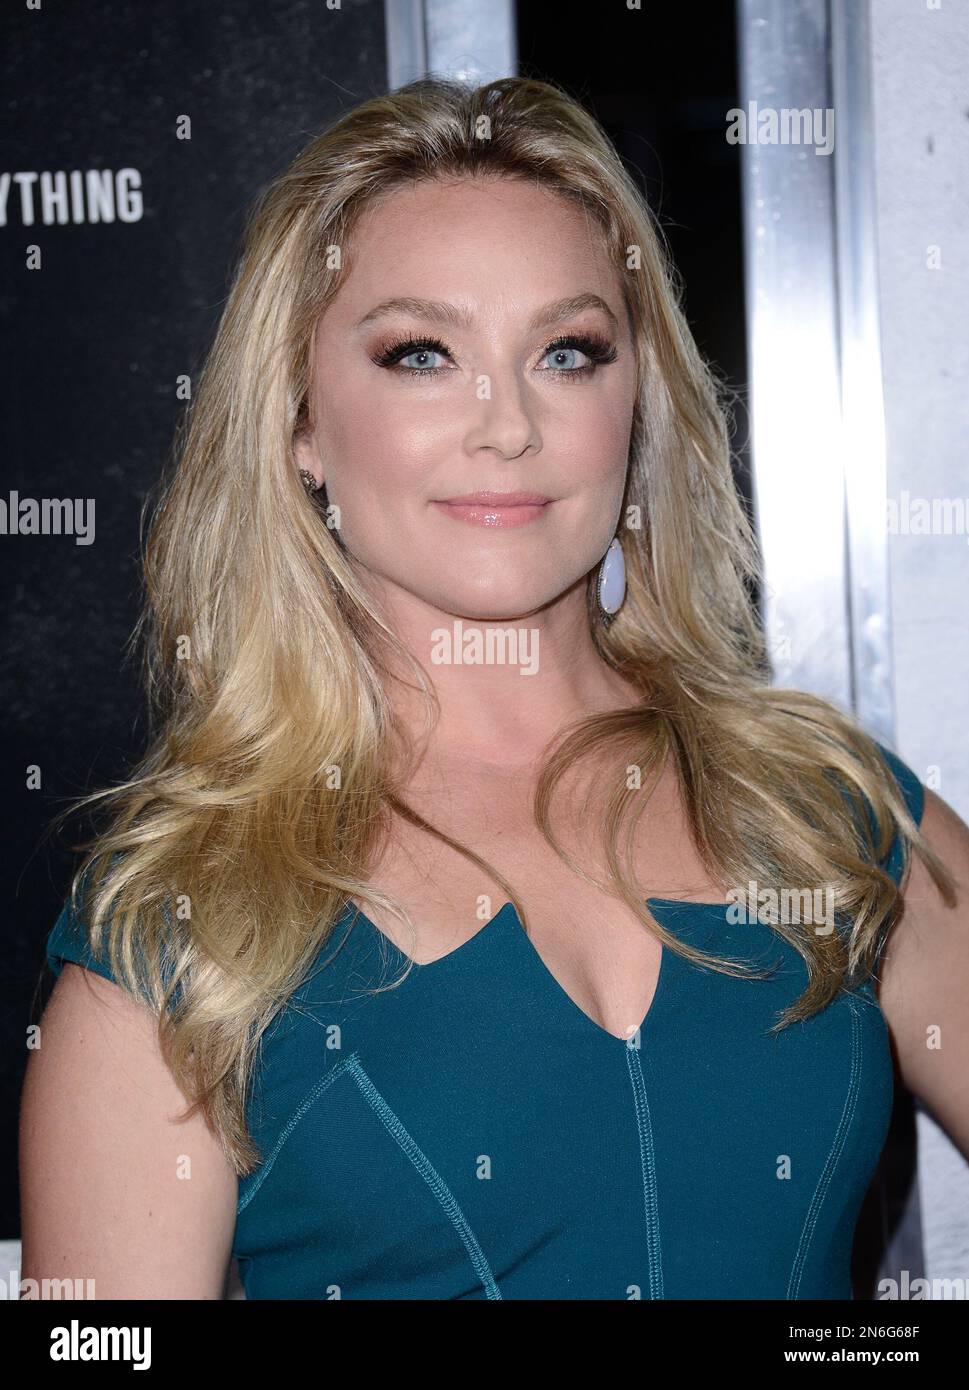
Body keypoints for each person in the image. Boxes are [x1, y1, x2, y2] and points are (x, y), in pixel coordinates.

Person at [19, 76, 969, 1301]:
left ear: (636, 402)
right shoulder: (191, 920)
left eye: (566, 353)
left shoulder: (827, 812)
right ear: (301, 424)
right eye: (422, 354)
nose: (507, 424)